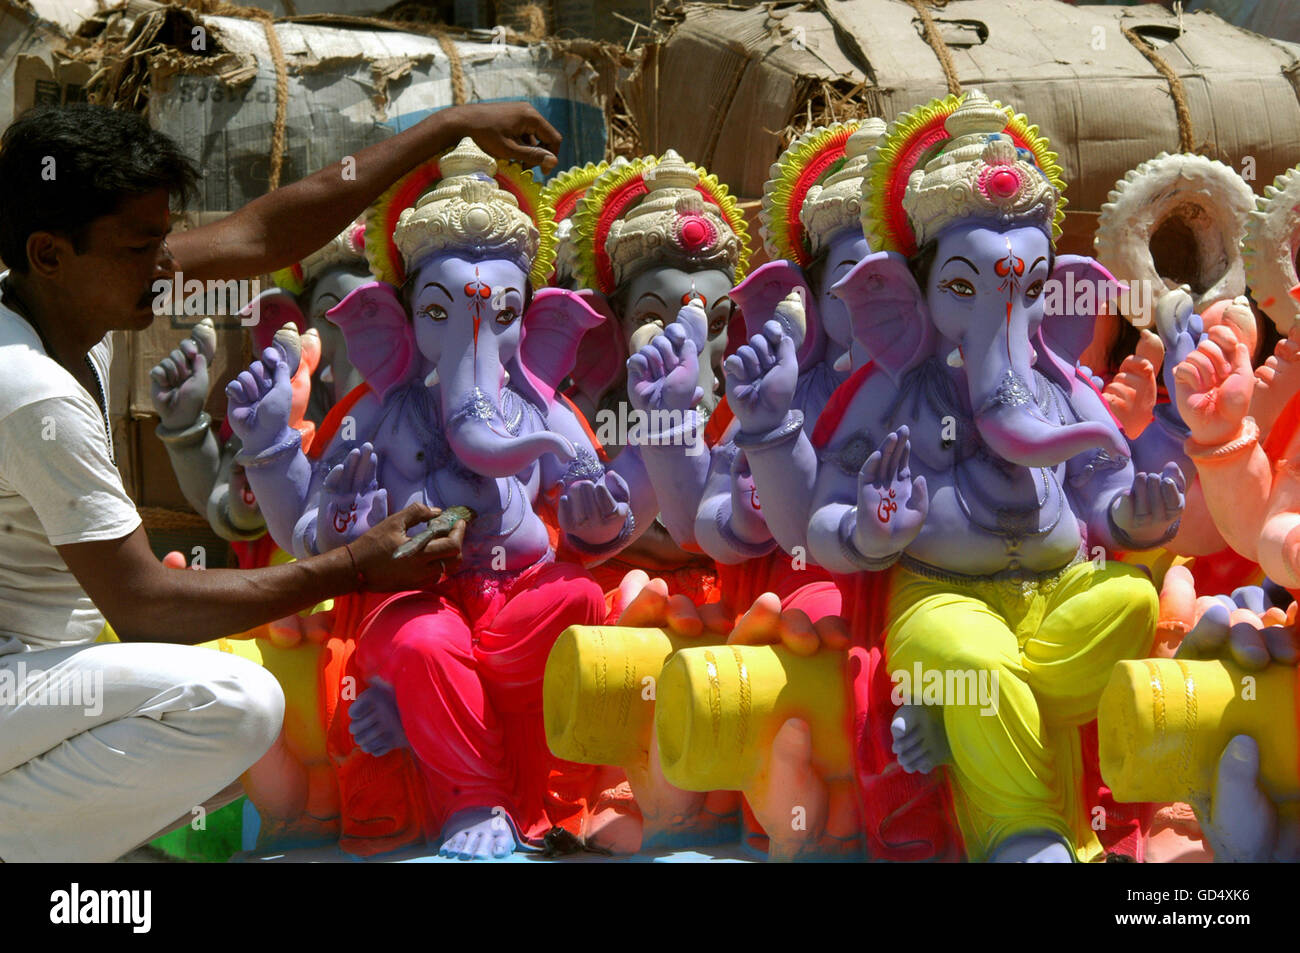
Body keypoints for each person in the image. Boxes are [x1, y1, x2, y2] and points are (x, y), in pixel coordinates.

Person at [0, 99, 561, 862]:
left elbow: (262, 232)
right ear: (48, 253)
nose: (168, 267)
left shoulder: (72, 292)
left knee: (237, 729)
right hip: (18, 688)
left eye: (166, 240)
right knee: (239, 704)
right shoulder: (29, 387)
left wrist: (444, 130)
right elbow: (143, 604)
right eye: (143, 248)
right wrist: (358, 566)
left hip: (38, 685)